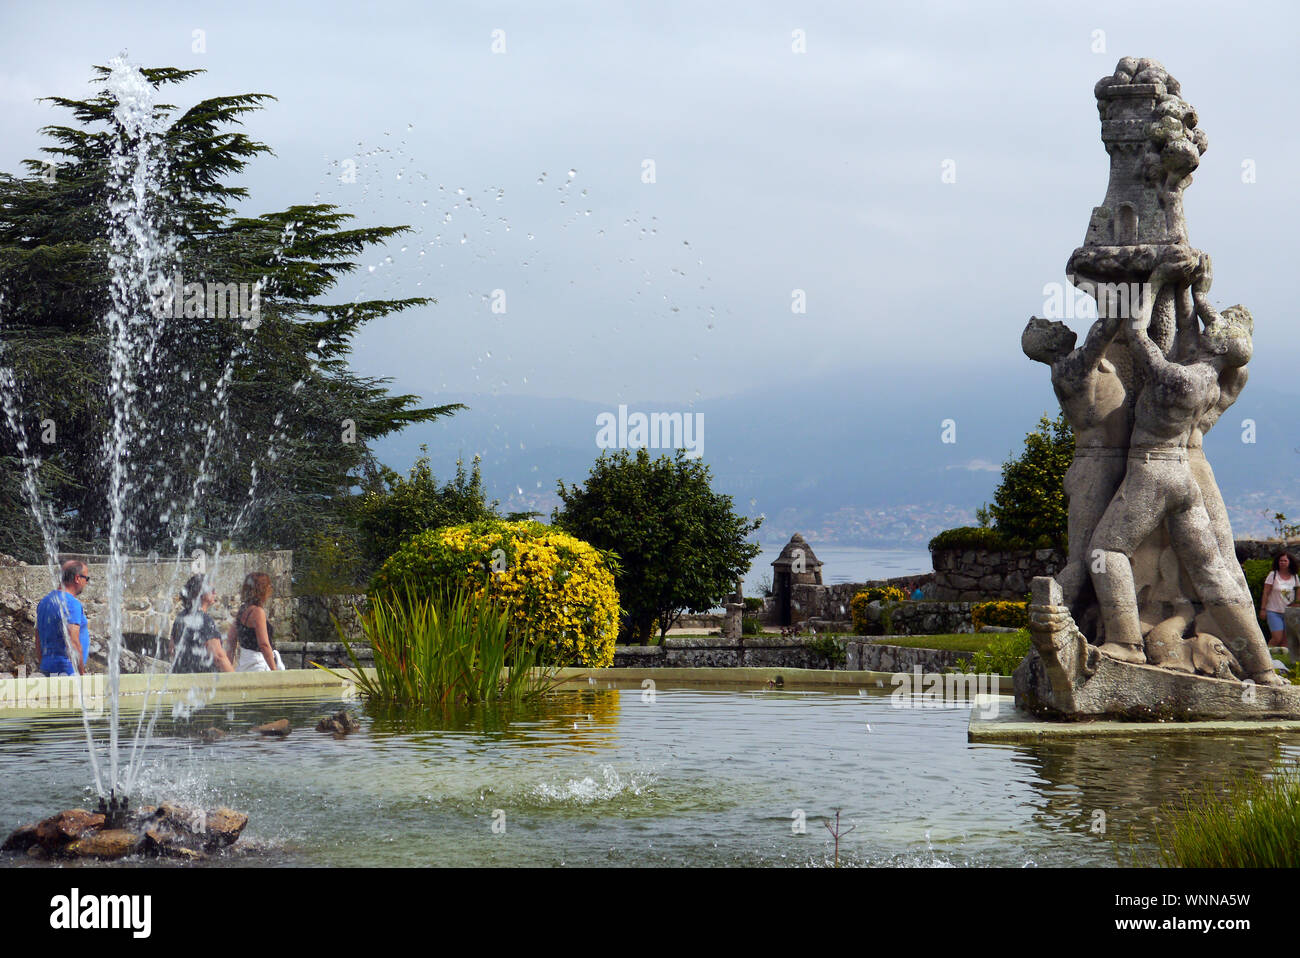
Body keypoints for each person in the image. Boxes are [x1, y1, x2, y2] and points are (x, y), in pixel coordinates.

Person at [169, 574, 234, 673]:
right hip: (201, 680)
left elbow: (172, 650)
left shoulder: (180, 617)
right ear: (200, 592)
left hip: (182, 677)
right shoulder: (204, 620)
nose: (214, 592)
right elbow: (218, 657)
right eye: (211, 589)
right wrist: (235, 679)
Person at [36, 560, 92, 676]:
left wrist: (43, 665)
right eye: (86, 578)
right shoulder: (72, 603)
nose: (86, 583)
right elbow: (73, 641)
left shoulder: (44, 602)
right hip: (67, 671)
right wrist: (81, 675)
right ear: (77, 578)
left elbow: (38, 638)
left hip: (46, 669)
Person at [227, 571, 284, 672]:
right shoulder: (258, 612)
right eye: (268, 586)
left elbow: (231, 640)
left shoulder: (242, 610)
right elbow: (264, 645)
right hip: (259, 665)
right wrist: (275, 671)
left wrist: (228, 671)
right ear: (262, 589)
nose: (270, 588)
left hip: (244, 665)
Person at [1259, 553, 1299, 649]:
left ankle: (1281, 659)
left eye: (1285, 561)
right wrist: (1263, 609)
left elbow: (1298, 594)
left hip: (1289, 612)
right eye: (1281, 560)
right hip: (1273, 611)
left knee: (1286, 641)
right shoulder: (1273, 575)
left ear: (1290, 562)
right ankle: (1266, 653)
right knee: (1277, 638)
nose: (1283, 563)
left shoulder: (1295, 577)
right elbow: (1266, 593)